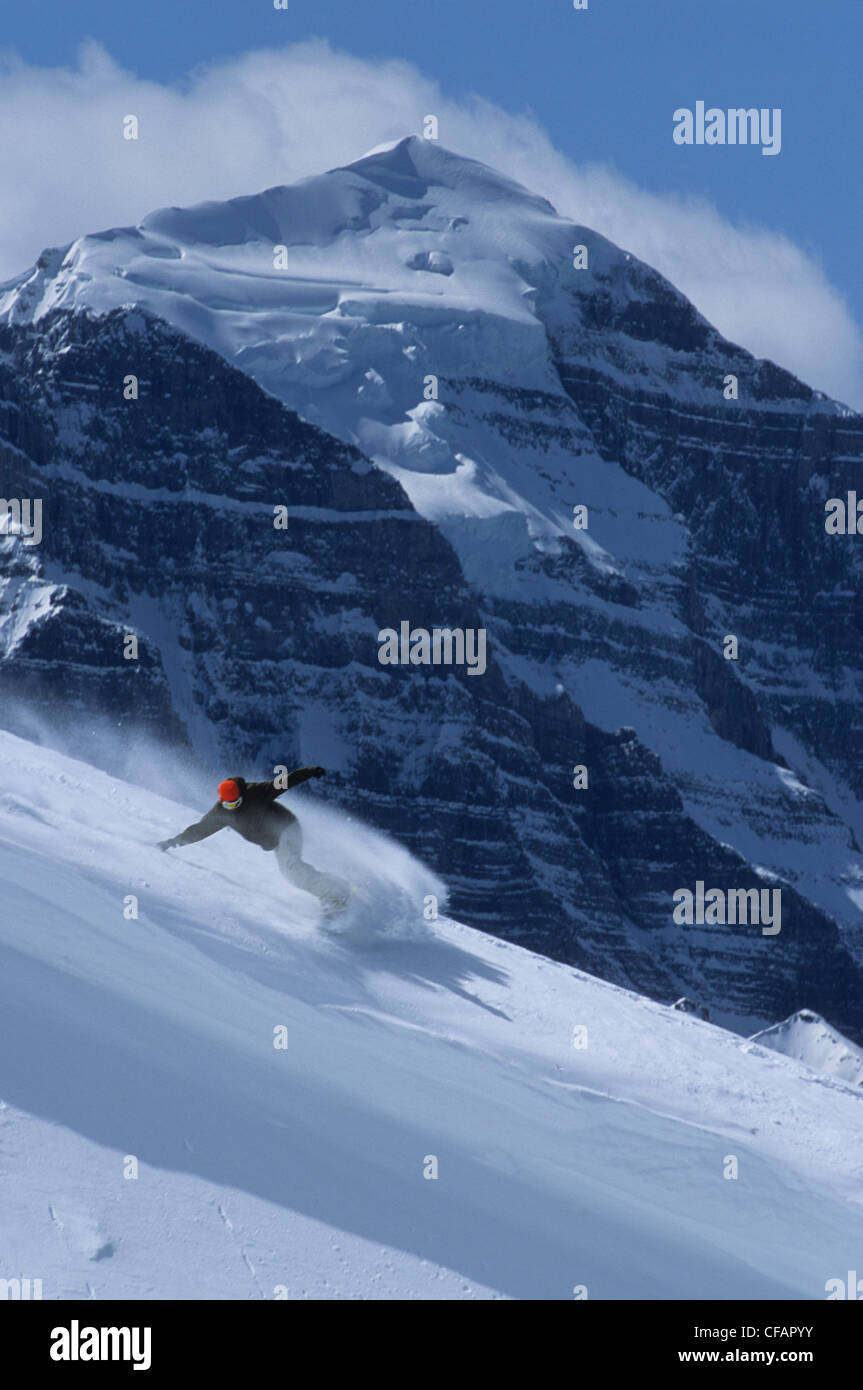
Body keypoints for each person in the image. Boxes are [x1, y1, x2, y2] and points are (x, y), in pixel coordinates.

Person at [158, 767, 350, 912]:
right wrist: (173, 842)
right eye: (229, 804)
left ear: (241, 795)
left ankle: (335, 898)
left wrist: (310, 772)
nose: (233, 807)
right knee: (290, 872)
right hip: (275, 839)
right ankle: (338, 885)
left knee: (293, 869)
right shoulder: (221, 813)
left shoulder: (256, 792)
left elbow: (284, 782)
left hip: (286, 829)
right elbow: (200, 830)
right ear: (222, 801)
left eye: (236, 802)